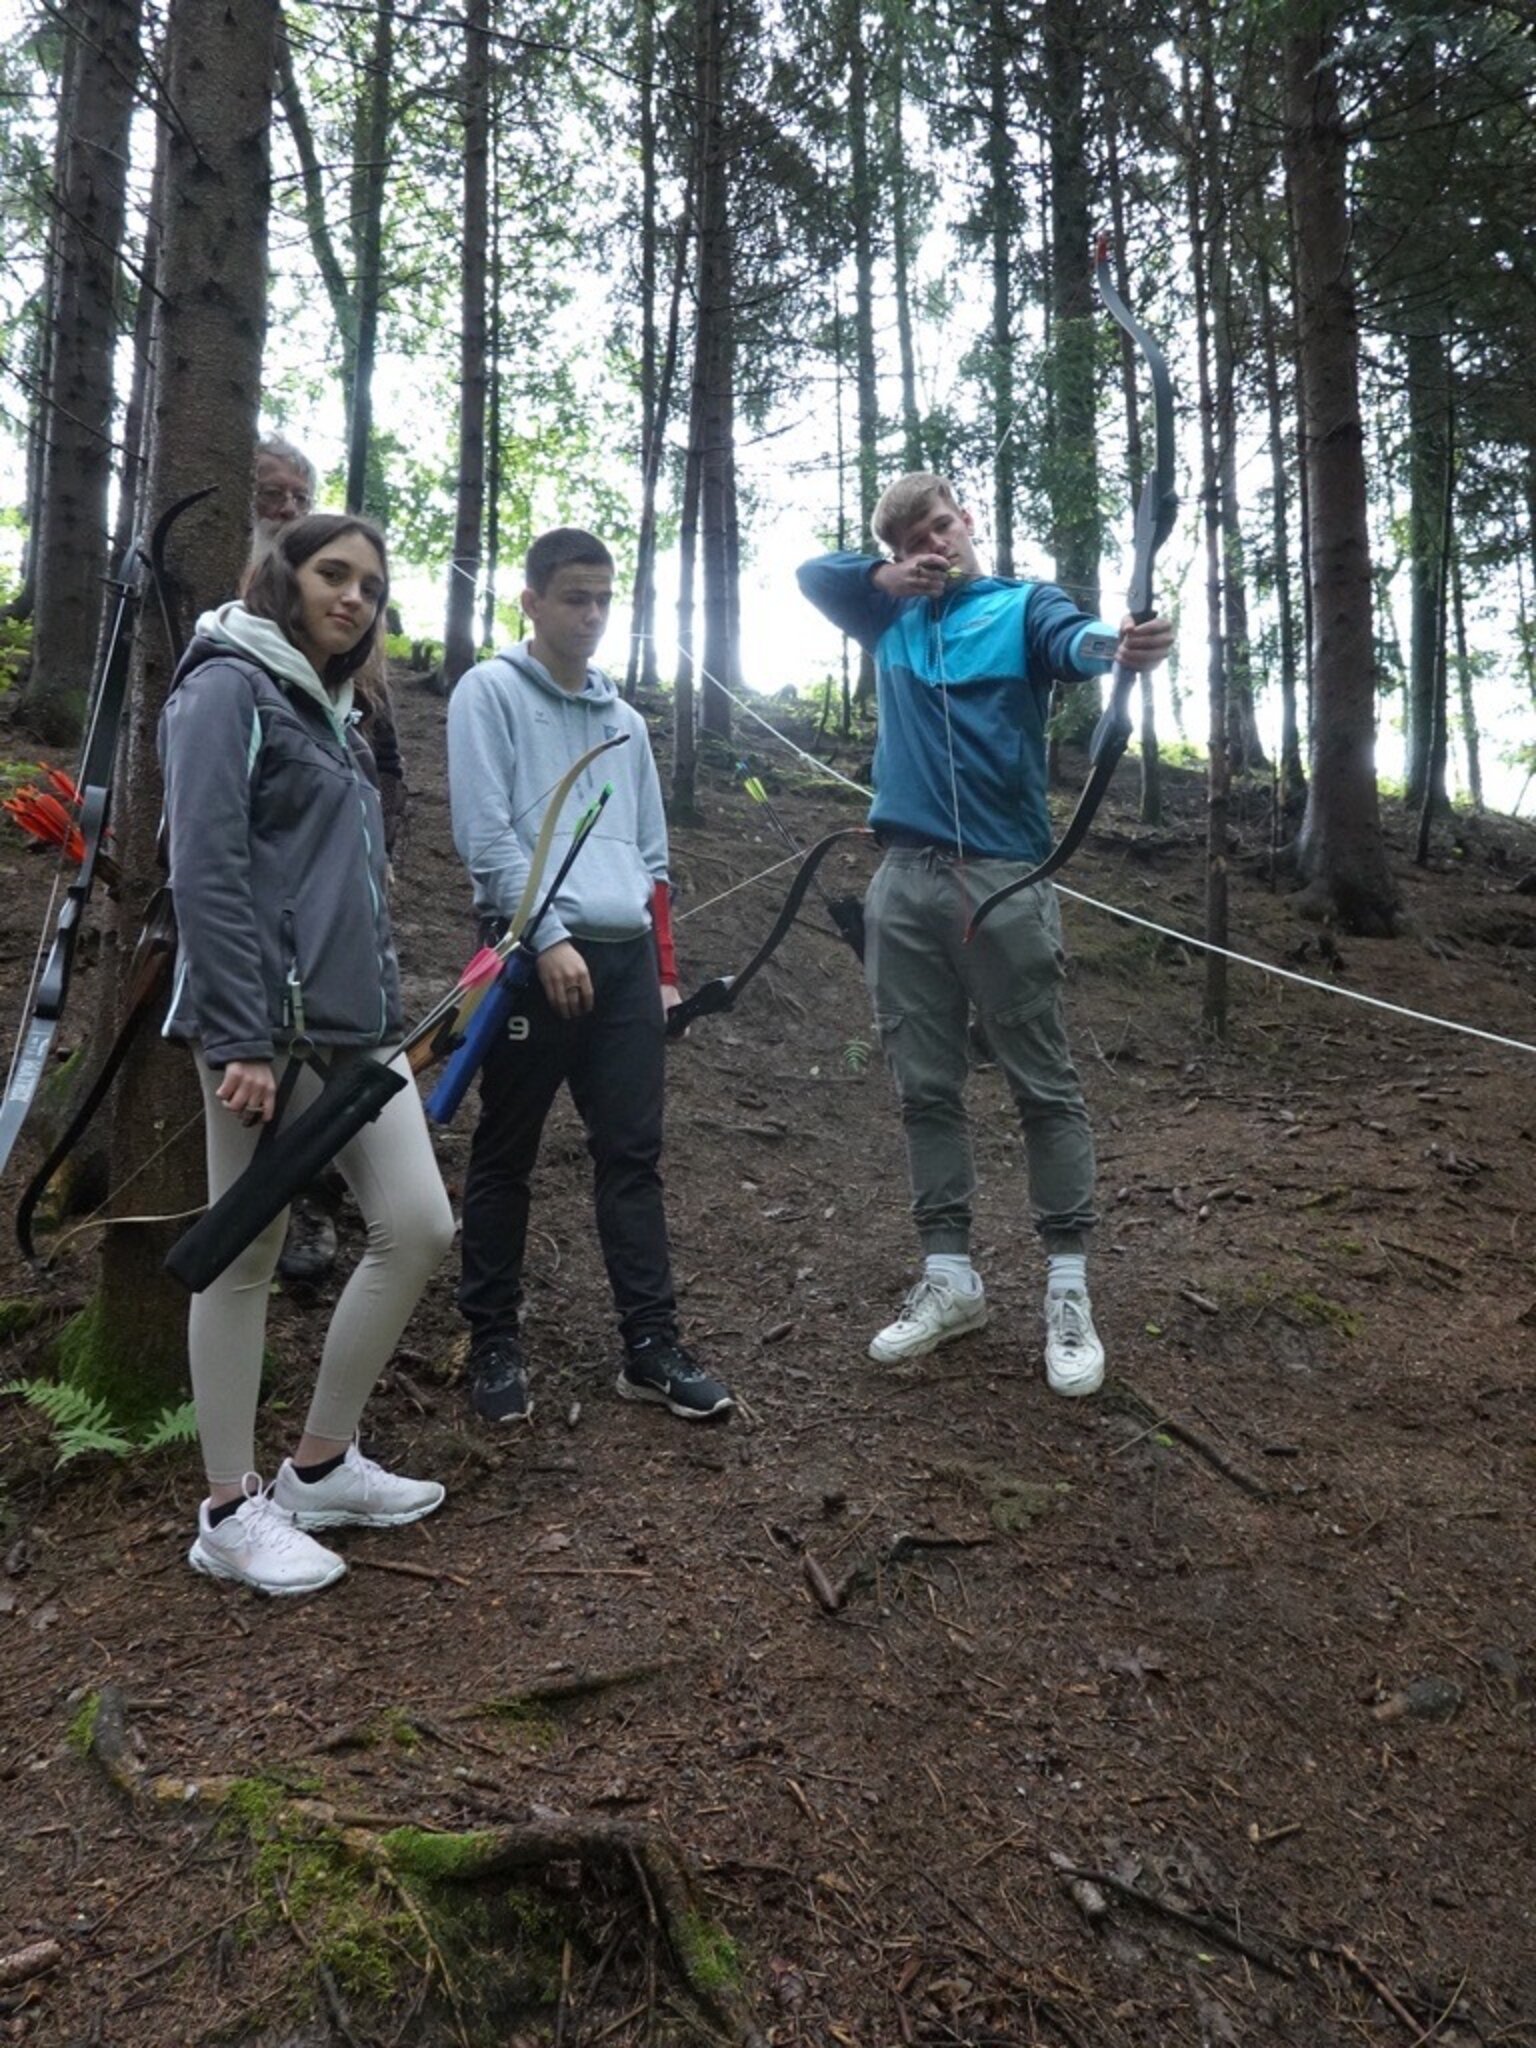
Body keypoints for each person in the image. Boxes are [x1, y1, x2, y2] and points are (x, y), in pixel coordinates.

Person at [797, 473, 1173, 1398]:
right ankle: (951, 1277)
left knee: (1042, 1083)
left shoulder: (1021, 605)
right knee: (924, 1086)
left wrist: (1117, 647)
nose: (937, 542)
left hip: (1002, 880)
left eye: (944, 524)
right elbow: (814, 572)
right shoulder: (884, 617)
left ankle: (1068, 1287)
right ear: (896, 556)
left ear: (968, 522)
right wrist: (887, 582)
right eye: (914, 539)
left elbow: (1075, 642)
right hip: (904, 880)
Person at [160, 513, 455, 1594]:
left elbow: (348, 886)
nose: (354, 599)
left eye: (372, 588)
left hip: (353, 1026)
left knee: (419, 1224)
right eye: (335, 574)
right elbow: (205, 866)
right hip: (261, 1034)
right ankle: (230, 1508)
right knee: (242, 1255)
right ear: (283, 574)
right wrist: (240, 1034)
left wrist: (390, 1011)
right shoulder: (227, 683)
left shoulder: (338, 708)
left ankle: (320, 1465)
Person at [447, 526, 732, 1427]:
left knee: (632, 1156)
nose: (593, 614)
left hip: (622, 967)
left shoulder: (625, 722)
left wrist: (662, 971)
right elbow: (486, 836)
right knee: (507, 1150)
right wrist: (550, 935)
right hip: (533, 958)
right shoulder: (487, 691)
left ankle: (649, 1346)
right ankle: (491, 1340)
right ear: (530, 601)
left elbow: (652, 856)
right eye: (575, 596)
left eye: (605, 598)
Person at [246, 436, 409, 1281]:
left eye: (297, 494)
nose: (284, 507)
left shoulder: (346, 658)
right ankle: (287, 1217)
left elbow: (383, 763)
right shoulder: (233, 655)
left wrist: (379, 849)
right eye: (268, 493)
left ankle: (318, 1208)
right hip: (259, 943)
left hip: (342, 934)